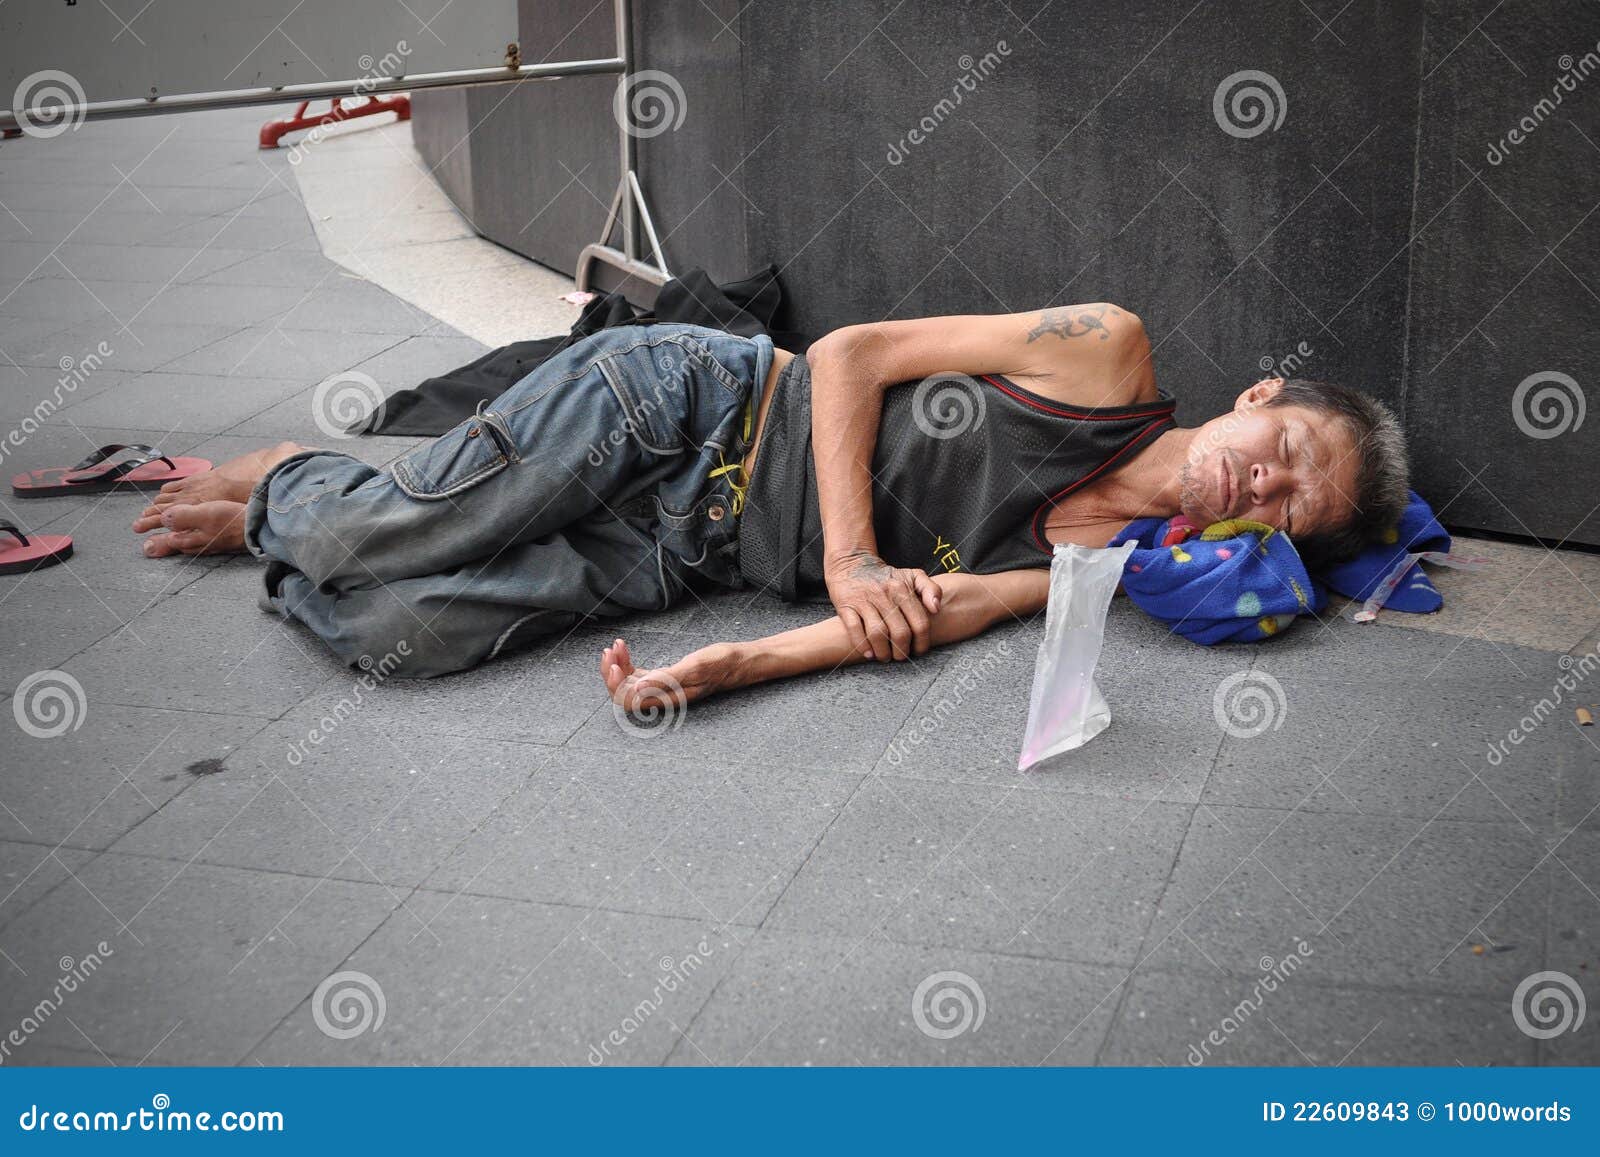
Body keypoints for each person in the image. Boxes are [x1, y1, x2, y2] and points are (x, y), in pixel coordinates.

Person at [131, 303, 1409, 712]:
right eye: (1285, 449)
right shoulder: (1102, 352)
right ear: (1257, 395)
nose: (1264, 486)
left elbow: (909, 621)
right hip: (694, 405)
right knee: (358, 539)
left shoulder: (1093, 560)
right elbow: (852, 353)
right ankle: (303, 485)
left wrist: (721, 667)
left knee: (392, 635)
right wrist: (853, 554)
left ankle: (328, 505)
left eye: (1287, 514)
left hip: (687, 552)